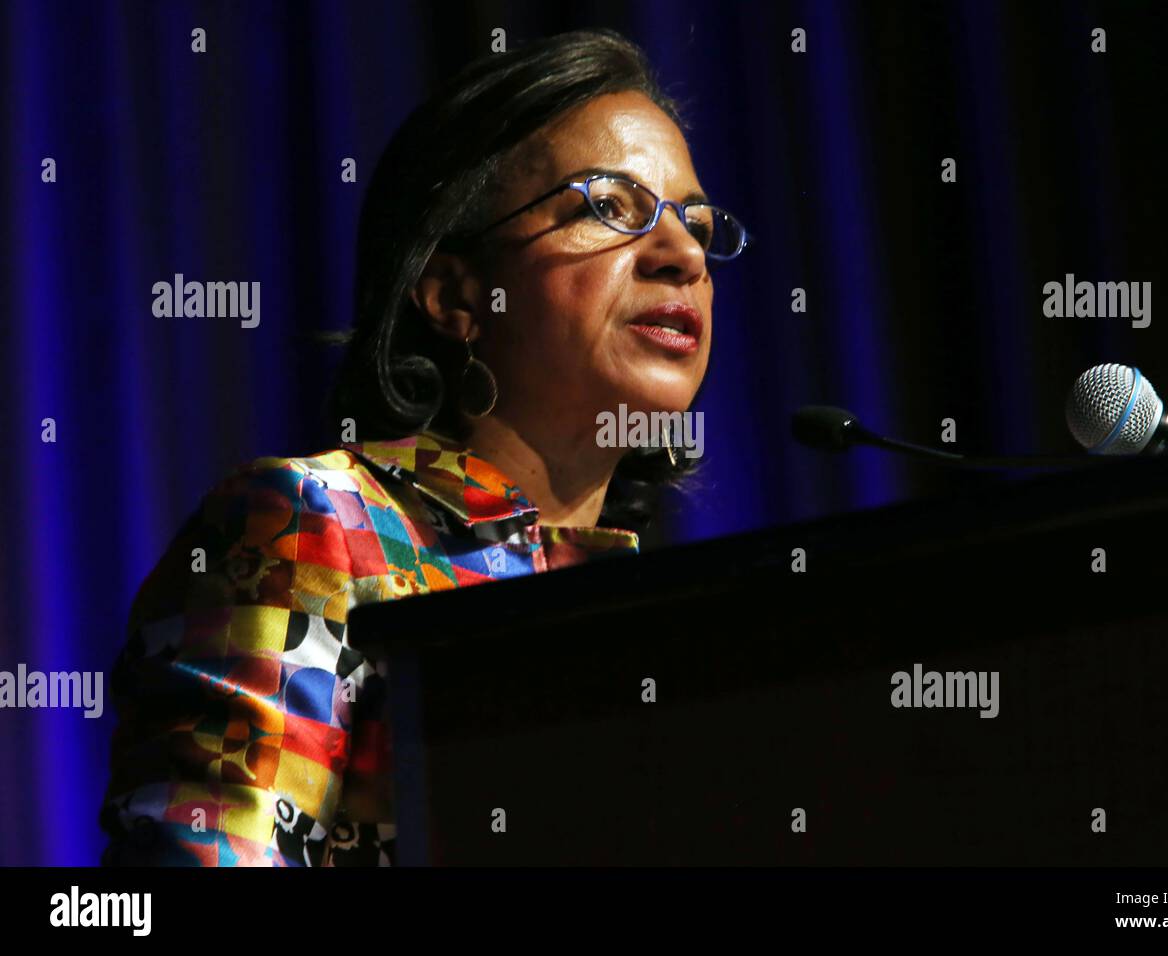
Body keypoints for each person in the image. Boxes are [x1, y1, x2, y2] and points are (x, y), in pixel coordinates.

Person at [98, 28, 749, 866]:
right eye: (608, 208)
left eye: (696, 224)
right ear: (453, 294)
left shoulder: (658, 612)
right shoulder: (317, 527)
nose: (682, 255)